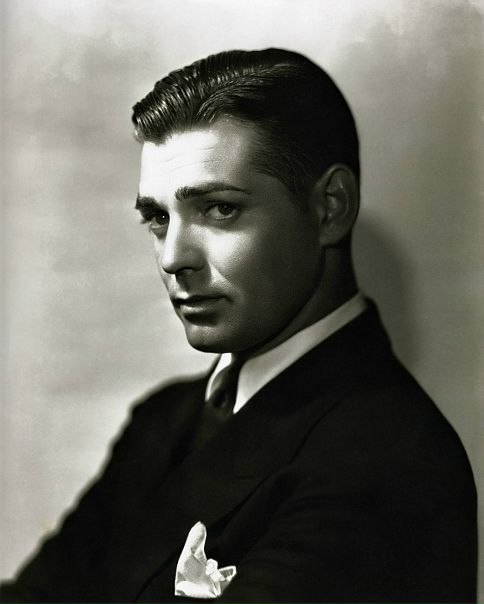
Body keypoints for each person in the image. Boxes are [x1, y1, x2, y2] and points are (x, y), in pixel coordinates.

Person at [0, 48, 477, 604]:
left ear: (330, 207)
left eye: (219, 209)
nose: (173, 258)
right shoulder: (163, 421)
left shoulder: (387, 458)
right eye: (158, 217)